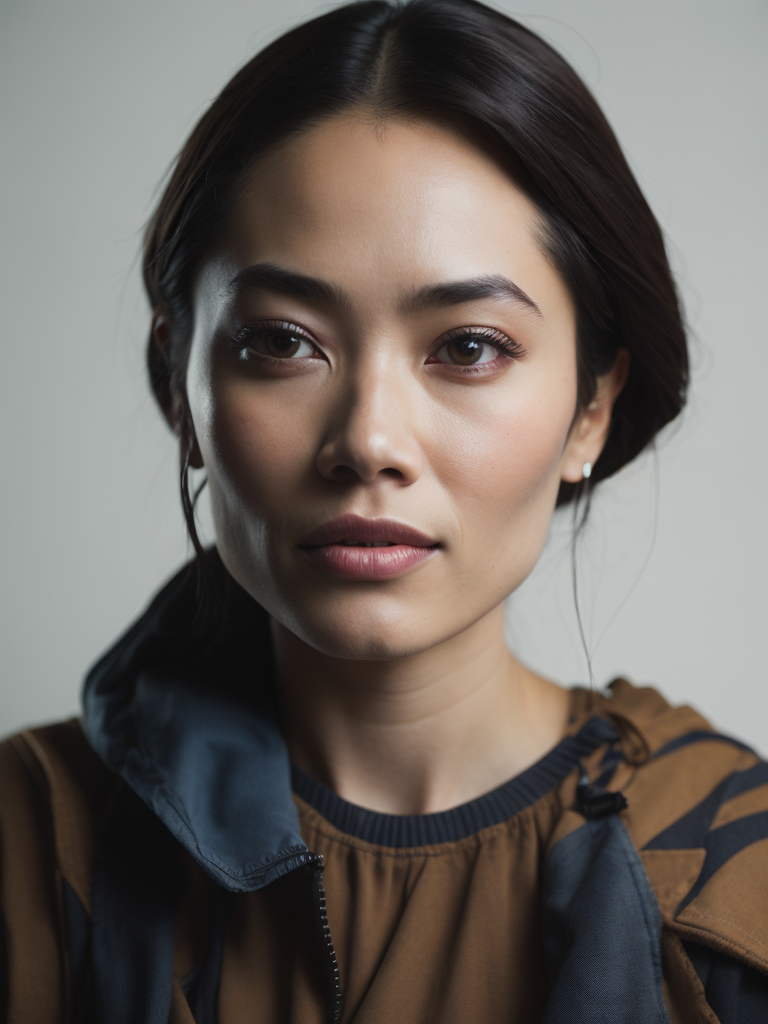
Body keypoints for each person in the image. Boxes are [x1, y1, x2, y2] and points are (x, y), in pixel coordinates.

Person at [2, 0, 767, 1021]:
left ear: (592, 407)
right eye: (282, 341)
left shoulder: (729, 878)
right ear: (181, 386)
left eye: (468, 347)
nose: (368, 440)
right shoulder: (30, 844)